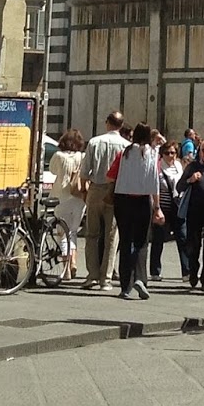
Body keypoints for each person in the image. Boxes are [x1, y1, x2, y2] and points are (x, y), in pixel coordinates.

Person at [112, 125, 164, 300]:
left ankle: (125, 287)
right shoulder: (153, 154)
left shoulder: (124, 153)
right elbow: (155, 182)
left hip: (122, 199)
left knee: (125, 241)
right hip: (143, 200)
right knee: (142, 242)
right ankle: (140, 279)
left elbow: (110, 175)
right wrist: (157, 207)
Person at [79, 111, 128, 290]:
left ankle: (91, 275)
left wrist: (85, 190)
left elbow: (84, 171)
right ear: (121, 126)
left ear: (107, 123)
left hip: (96, 188)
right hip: (115, 192)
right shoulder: (126, 146)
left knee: (92, 234)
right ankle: (105, 279)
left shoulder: (94, 142)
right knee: (111, 236)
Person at [177, 138, 204, 290]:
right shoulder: (192, 167)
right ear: (200, 152)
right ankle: (193, 272)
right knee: (193, 245)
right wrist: (190, 179)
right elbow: (179, 187)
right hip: (194, 210)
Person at [48, 129, 87, 282]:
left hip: (62, 197)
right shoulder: (82, 157)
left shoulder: (58, 156)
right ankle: (74, 262)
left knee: (62, 234)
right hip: (79, 198)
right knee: (73, 232)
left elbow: (51, 170)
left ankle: (66, 270)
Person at [150, 142, 187, 282]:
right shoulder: (158, 167)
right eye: (167, 153)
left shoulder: (178, 166)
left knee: (182, 237)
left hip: (177, 206)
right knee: (158, 239)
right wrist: (156, 208)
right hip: (162, 206)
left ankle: (186, 271)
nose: (170, 156)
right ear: (162, 154)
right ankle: (155, 271)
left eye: (173, 153)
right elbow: (154, 187)